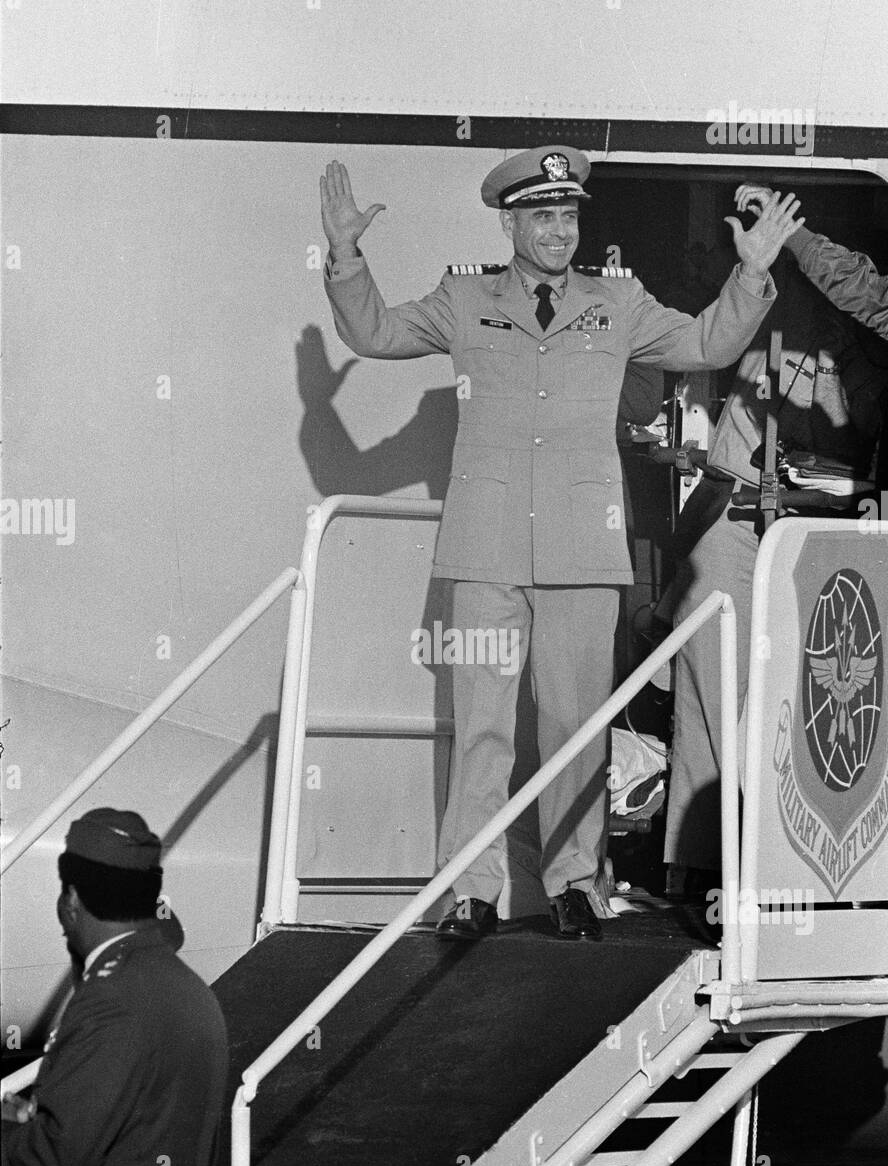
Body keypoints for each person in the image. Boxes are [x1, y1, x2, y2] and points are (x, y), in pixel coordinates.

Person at [321, 150, 802, 939]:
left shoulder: (618, 301)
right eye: (541, 216)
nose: (558, 230)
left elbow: (706, 346)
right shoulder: (463, 297)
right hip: (485, 552)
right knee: (480, 728)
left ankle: (573, 883)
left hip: (584, 552)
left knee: (575, 727)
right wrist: (344, 253)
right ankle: (470, 893)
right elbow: (374, 332)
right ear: (509, 223)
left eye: (568, 215)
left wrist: (750, 274)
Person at [664, 185, 888, 889]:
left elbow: (869, 297)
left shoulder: (882, 294)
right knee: (708, 662)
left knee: (827, 692)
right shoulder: (761, 281)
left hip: (840, 518)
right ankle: (699, 865)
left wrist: (795, 238)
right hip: (742, 499)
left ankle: (809, 873)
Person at [1, 808, 228, 1166]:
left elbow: (60, 1157)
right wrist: (34, 1117)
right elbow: (136, 1126)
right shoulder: (188, 990)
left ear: (72, 900)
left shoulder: (112, 998)